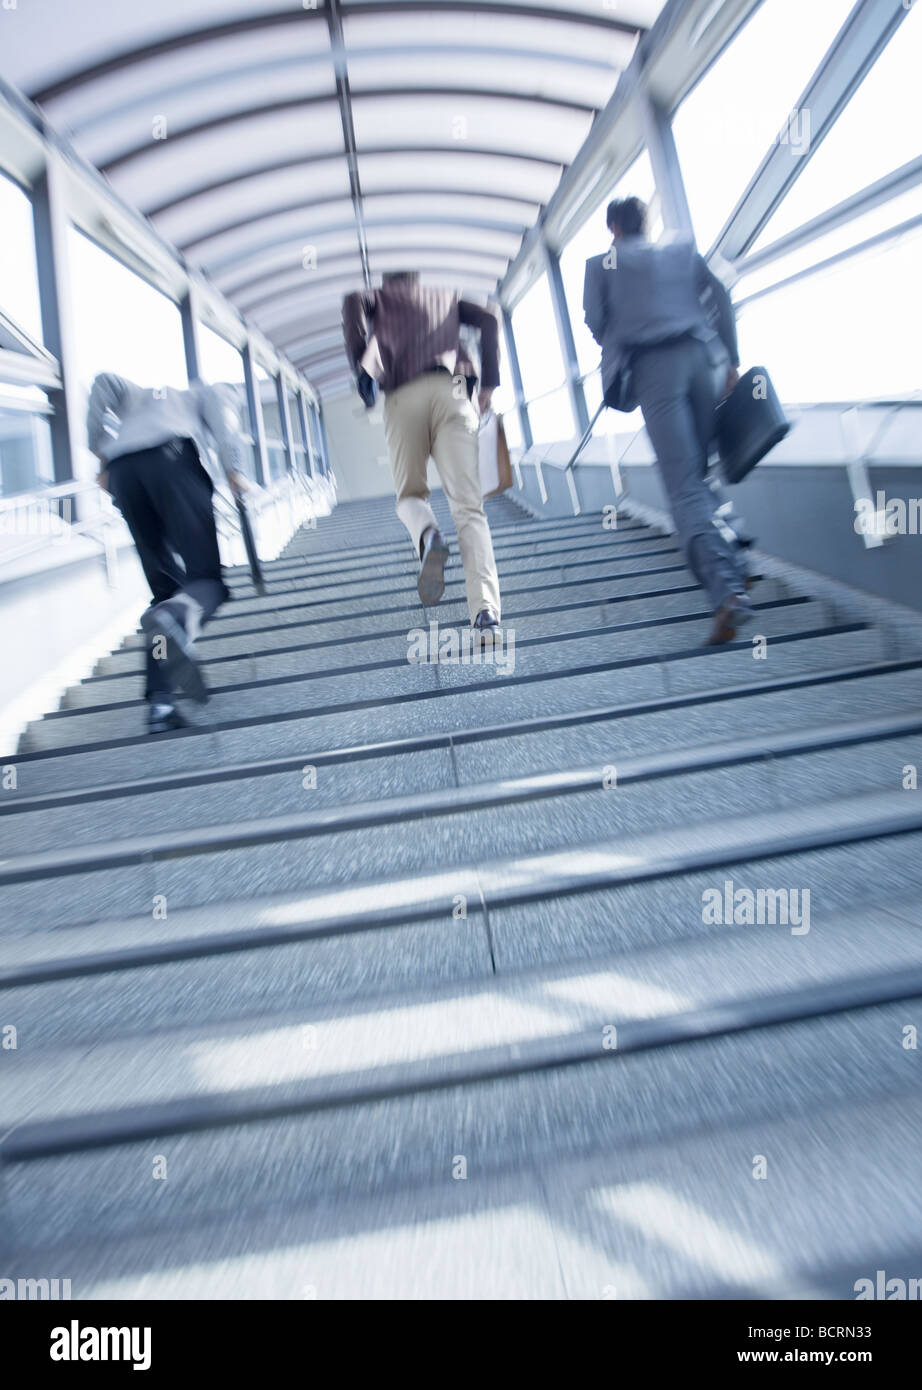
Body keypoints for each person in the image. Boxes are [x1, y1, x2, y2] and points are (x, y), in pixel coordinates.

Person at [583, 197, 753, 645]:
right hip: (705, 358)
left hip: (656, 368)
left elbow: (597, 323)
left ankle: (726, 592)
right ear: (647, 223)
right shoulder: (679, 250)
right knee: (697, 472)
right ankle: (734, 545)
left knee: (681, 484)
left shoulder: (601, 264)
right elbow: (718, 294)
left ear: (614, 228)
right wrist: (732, 360)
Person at [88, 373, 250, 733]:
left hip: (123, 472)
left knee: (164, 596)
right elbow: (225, 421)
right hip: (173, 458)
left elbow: (102, 384)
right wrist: (234, 470)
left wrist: (100, 455)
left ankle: (160, 706)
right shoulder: (211, 390)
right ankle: (177, 625)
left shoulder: (138, 393)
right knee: (206, 581)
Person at [342, 271, 502, 633]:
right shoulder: (447, 292)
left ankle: (429, 536)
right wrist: (489, 383)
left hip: (402, 392)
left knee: (410, 495)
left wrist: (361, 364)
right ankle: (485, 612)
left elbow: (352, 300)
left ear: (388, 279)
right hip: (456, 389)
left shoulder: (377, 297)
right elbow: (490, 317)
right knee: (468, 507)